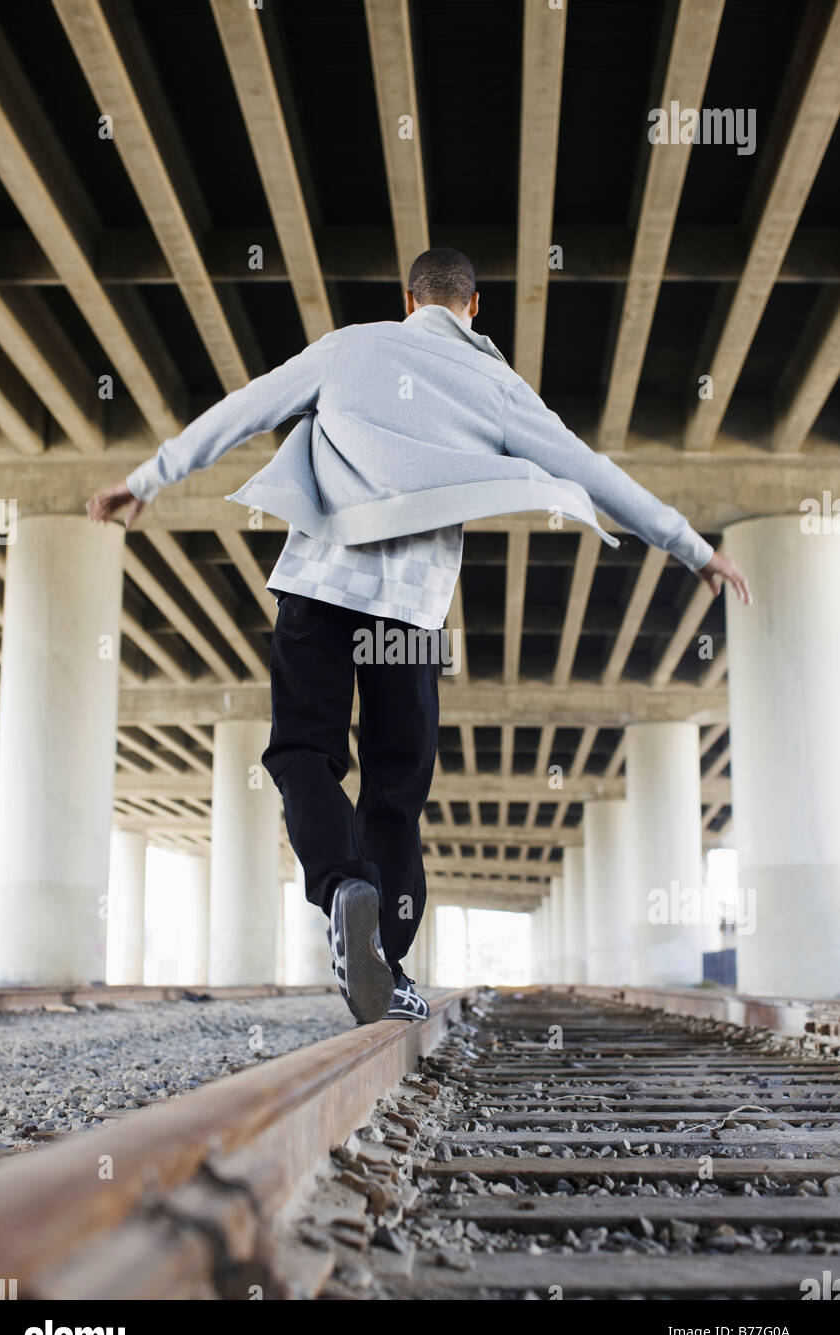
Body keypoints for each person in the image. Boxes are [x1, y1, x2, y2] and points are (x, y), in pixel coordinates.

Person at [88, 247, 752, 1026]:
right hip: (409, 616)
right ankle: (388, 962)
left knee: (303, 752)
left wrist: (146, 479)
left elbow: (242, 410)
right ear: (475, 308)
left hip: (317, 589)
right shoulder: (497, 388)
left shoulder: (350, 347)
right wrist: (694, 549)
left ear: (408, 300)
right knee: (397, 791)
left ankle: (343, 887)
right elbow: (595, 473)